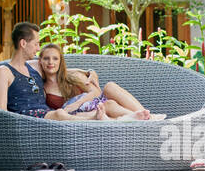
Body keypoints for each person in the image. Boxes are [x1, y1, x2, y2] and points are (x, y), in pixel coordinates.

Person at [0, 23, 108, 121]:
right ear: (23, 43)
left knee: (83, 112)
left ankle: (103, 120)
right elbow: (1, 111)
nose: (38, 48)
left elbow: (58, 69)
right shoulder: (4, 72)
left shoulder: (33, 66)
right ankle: (93, 120)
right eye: (36, 44)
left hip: (47, 115)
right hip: (27, 120)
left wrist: (89, 72)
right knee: (60, 114)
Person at [37, 44, 166, 121]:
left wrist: (76, 103)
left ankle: (147, 116)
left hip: (94, 102)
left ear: (60, 61)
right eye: (46, 59)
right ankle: (140, 117)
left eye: (55, 58)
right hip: (83, 114)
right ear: (40, 61)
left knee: (110, 87)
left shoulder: (71, 75)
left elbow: (96, 91)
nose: (50, 62)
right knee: (108, 105)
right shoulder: (41, 86)